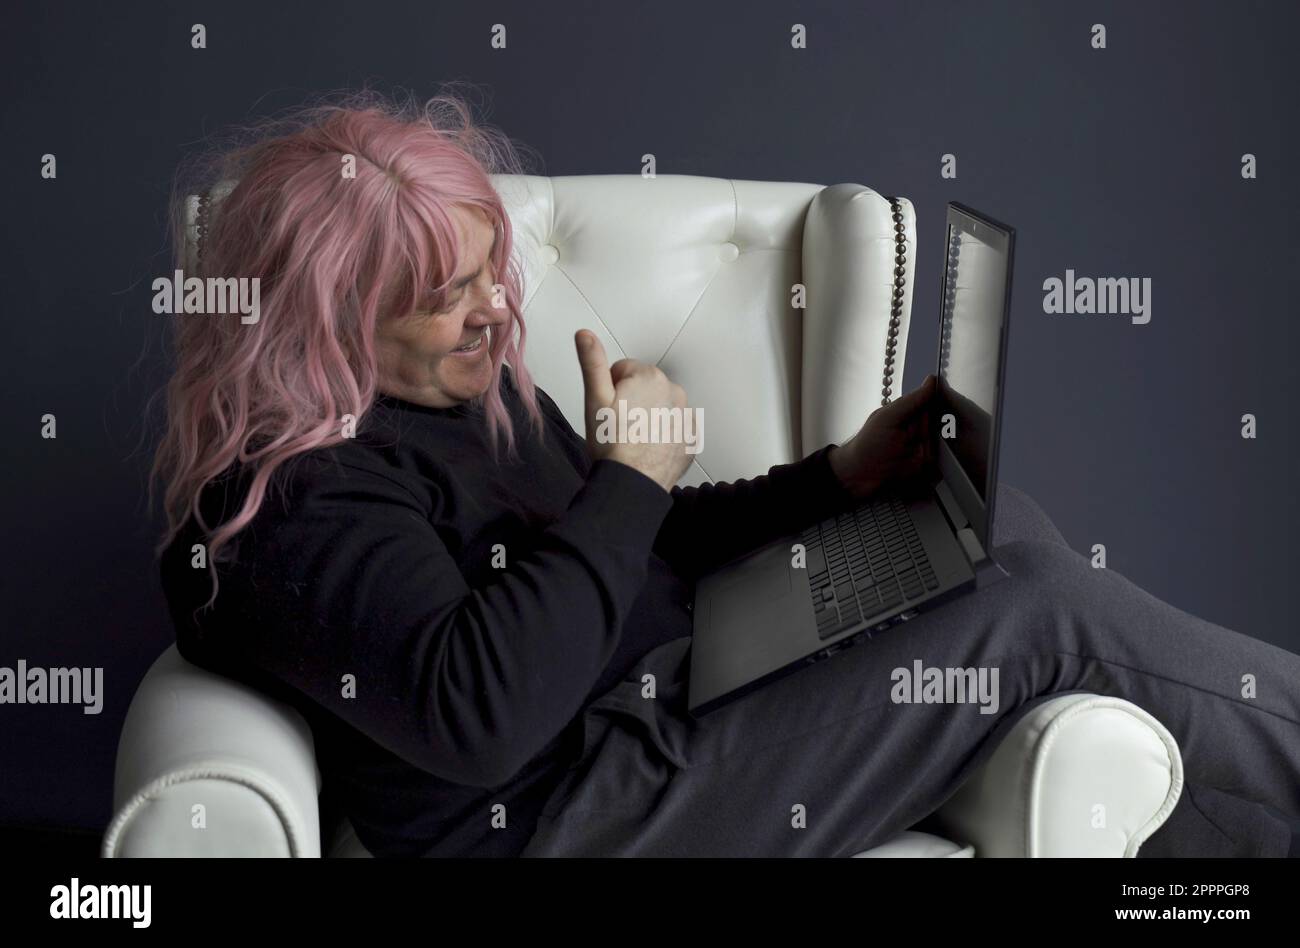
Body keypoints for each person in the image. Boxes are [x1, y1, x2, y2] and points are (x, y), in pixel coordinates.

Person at [154, 91, 1300, 858]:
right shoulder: (281, 499)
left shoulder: (468, 389)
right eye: (448, 294)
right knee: (1039, 618)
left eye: (491, 272)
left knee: (998, 536)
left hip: (675, 683)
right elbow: (482, 714)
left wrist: (836, 480)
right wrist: (629, 479)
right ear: (326, 317)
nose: (498, 311)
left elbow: (617, 554)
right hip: (574, 811)